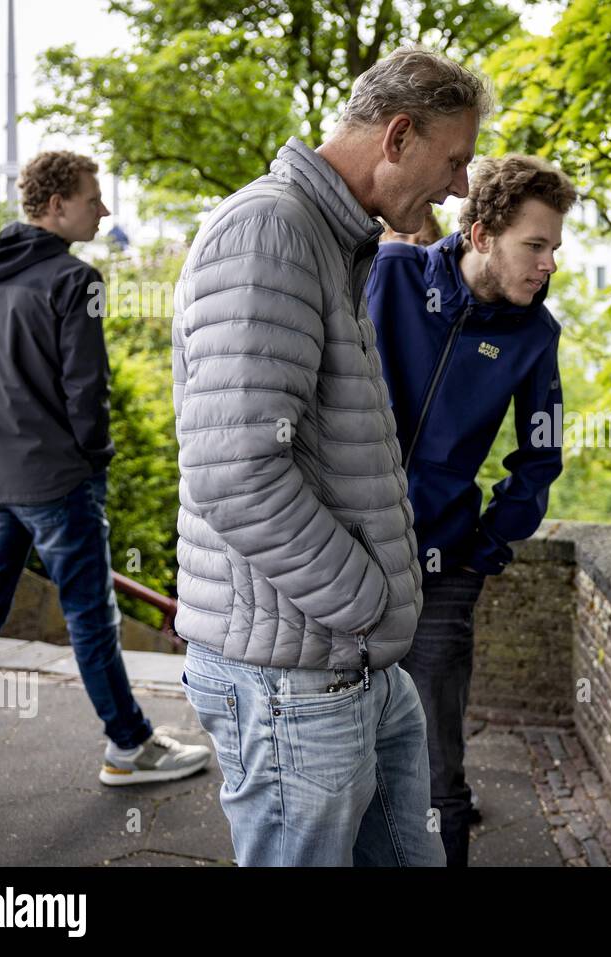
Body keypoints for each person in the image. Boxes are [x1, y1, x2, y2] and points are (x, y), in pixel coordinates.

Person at [172, 46, 491, 866]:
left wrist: (371, 622)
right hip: (295, 673)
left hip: (349, 662)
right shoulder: (270, 230)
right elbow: (234, 473)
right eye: (454, 160)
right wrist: (365, 598)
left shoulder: (331, 237)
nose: (459, 187)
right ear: (396, 137)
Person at [0, 151, 209, 837]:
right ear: (56, 205)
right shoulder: (72, 277)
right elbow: (88, 393)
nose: (104, 210)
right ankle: (128, 745)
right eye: (94, 198)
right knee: (91, 615)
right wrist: (94, 462)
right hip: (57, 481)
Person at [367, 154, 576, 865]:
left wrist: (484, 548)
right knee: (336, 751)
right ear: (482, 233)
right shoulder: (390, 279)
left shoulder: (533, 335)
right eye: (535, 244)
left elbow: (538, 458)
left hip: (444, 566)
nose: (549, 263)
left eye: (554, 247)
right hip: (350, 556)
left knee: (437, 767)